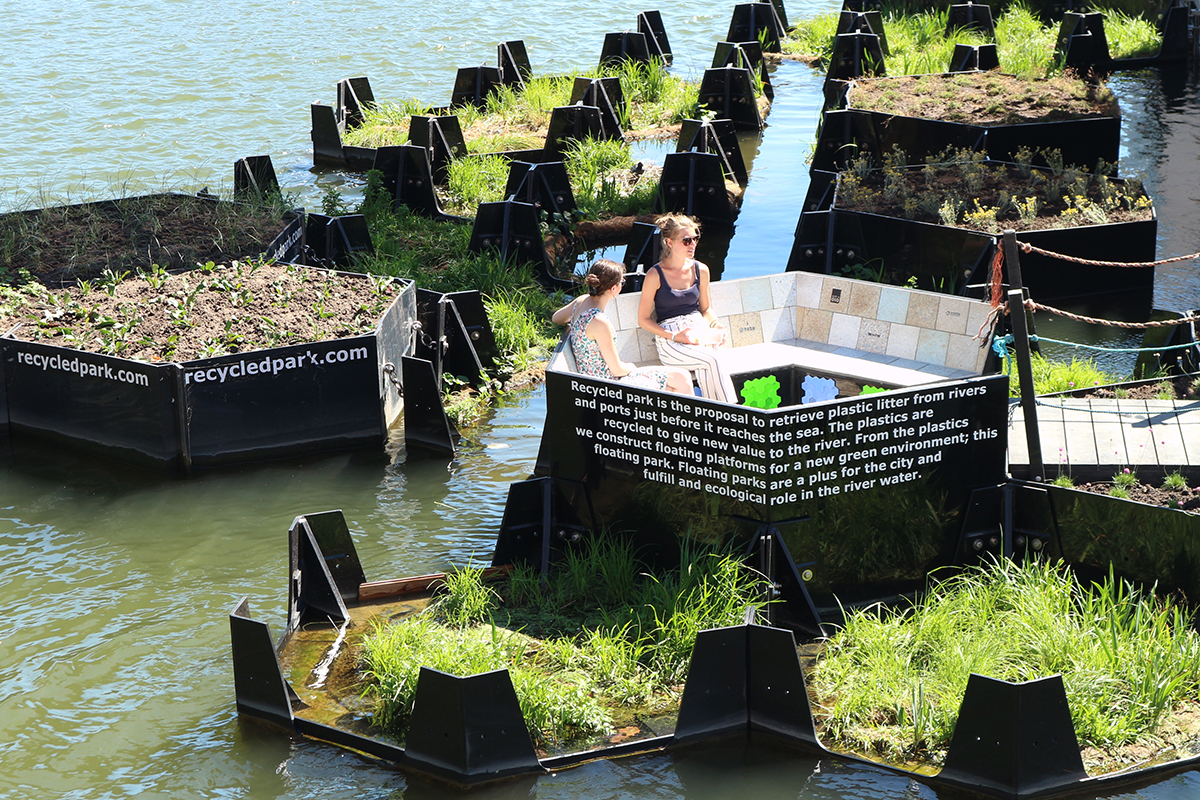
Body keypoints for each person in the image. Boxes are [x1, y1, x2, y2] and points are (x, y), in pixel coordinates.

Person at [636, 213, 737, 403]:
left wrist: (716, 325)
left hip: (698, 331)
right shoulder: (655, 274)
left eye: (695, 239)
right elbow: (643, 319)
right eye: (686, 240)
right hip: (671, 337)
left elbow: (706, 309)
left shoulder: (701, 270)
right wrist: (674, 336)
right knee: (713, 360)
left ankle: (711, 419)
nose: (693, 245)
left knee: (707, 364)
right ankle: (731, 413)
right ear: (670, 242)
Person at [552, 259, 693, 394]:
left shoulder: (581, 301)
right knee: (682, 378)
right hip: (608, 386)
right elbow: (617, 370)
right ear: (613, 288)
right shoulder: (599, 322)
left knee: (679, 379)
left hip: (595, 381)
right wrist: (631, 367)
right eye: (622, 282)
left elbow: (556, 318)